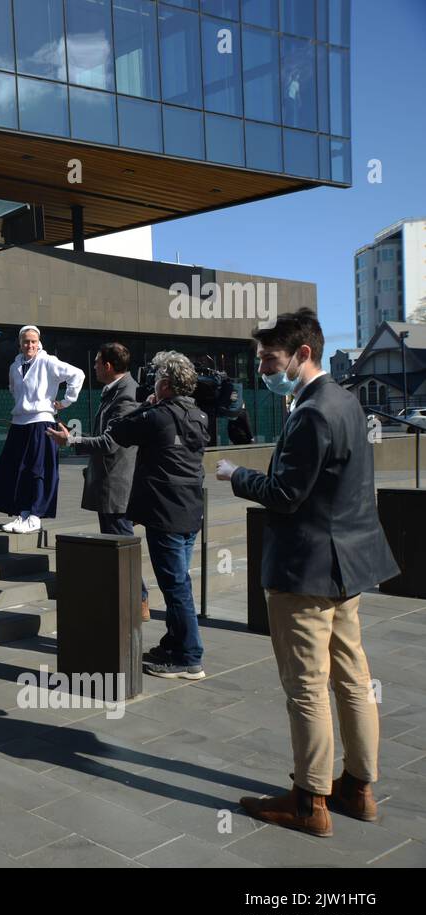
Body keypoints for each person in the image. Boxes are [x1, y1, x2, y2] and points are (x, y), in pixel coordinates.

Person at [220, 308, 398, 838]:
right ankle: (359, 788)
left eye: (270, 359)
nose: (263, 370)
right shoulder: (344, 401)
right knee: (353, 678)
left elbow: (285, 494)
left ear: (303, 354)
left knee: (307, 686)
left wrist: (237, 474)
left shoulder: (313, 411)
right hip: (347, 567)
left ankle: (309, 800)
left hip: (307, 572)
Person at [101, 351, 210, 680]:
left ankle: (190, 657)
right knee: (180, 582)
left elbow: (118, 430)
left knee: (175, 586)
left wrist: (149, 404)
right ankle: (174, 644)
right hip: (190, 510)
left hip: (165, 512)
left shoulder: (159, 415)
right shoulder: (200, 416)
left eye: (157, 378)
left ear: (165, 384)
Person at [47, 342, 149, 620]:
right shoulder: (116, 390)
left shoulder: (126, 394)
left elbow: (111, 442)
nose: (93, 367)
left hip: (117, 483)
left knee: (120, 540)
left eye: (96, 362)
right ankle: (126, 596)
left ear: (108, 366)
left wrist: (71, 441)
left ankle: (137, 598)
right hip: (110, 481)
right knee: (114, 541)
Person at [0, 326, 83, 534]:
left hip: (41, 422)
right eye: (26, 341)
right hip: (20, 423)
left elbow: (77, 375)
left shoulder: (48, 361)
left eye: (33, 341)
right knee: (18, 469)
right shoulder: (15, 366)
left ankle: (36, 515)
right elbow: (14, 389)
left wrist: (65, 402)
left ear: (39, 343)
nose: (29, 345)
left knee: (38, 470)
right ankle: (23, 513)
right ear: (19, 344)